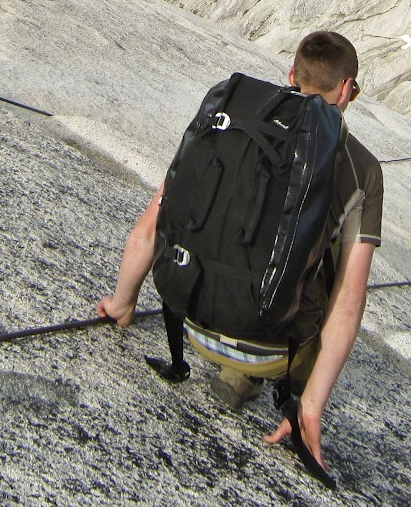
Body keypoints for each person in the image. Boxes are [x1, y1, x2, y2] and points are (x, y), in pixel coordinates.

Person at [97, 30, 383, 473]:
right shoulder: (361, 167)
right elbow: (350, 301)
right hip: (276, 350)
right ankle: (261, 374)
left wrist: (122, 302)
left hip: (193, 321)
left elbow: (151, 226)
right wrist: (310, 408)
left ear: (291, 75)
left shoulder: (234, 118)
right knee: (334, 273)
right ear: (346, 88)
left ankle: (233, 374)